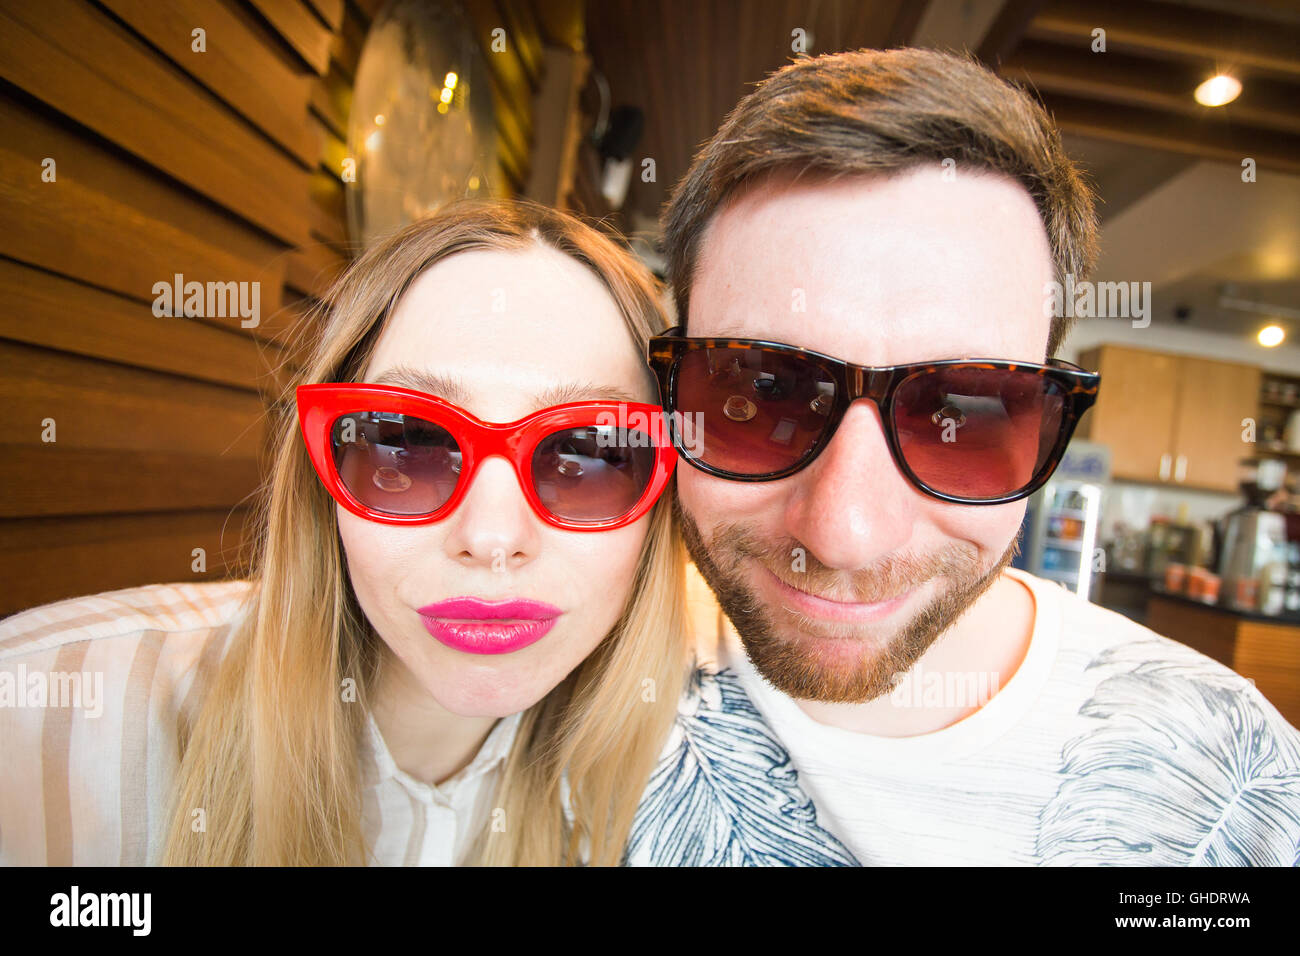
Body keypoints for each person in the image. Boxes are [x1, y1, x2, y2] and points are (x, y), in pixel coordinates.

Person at [646, 47, 1300, 865]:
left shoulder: (1234, 789)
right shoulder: (557, 672)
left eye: (958, 413)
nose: (847, 533)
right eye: (763, 394)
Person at [0, 200, 695, 866]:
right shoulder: (38, 723)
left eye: (591, 456)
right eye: (407, 443)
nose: (490, 538)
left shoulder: (681, 772)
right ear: (323, 467)